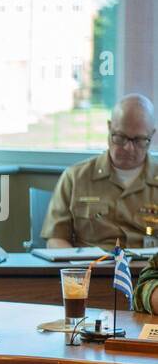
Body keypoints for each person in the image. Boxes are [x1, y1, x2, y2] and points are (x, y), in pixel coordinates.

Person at [43, 94, 158, 248]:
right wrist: (74, 263)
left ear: (152, 135)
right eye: (120, 137)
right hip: (91, 262)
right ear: (109, 128)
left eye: (139, 140)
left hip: (147, 263)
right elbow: (56, 238)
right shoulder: (75, 178)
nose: (128, 148)